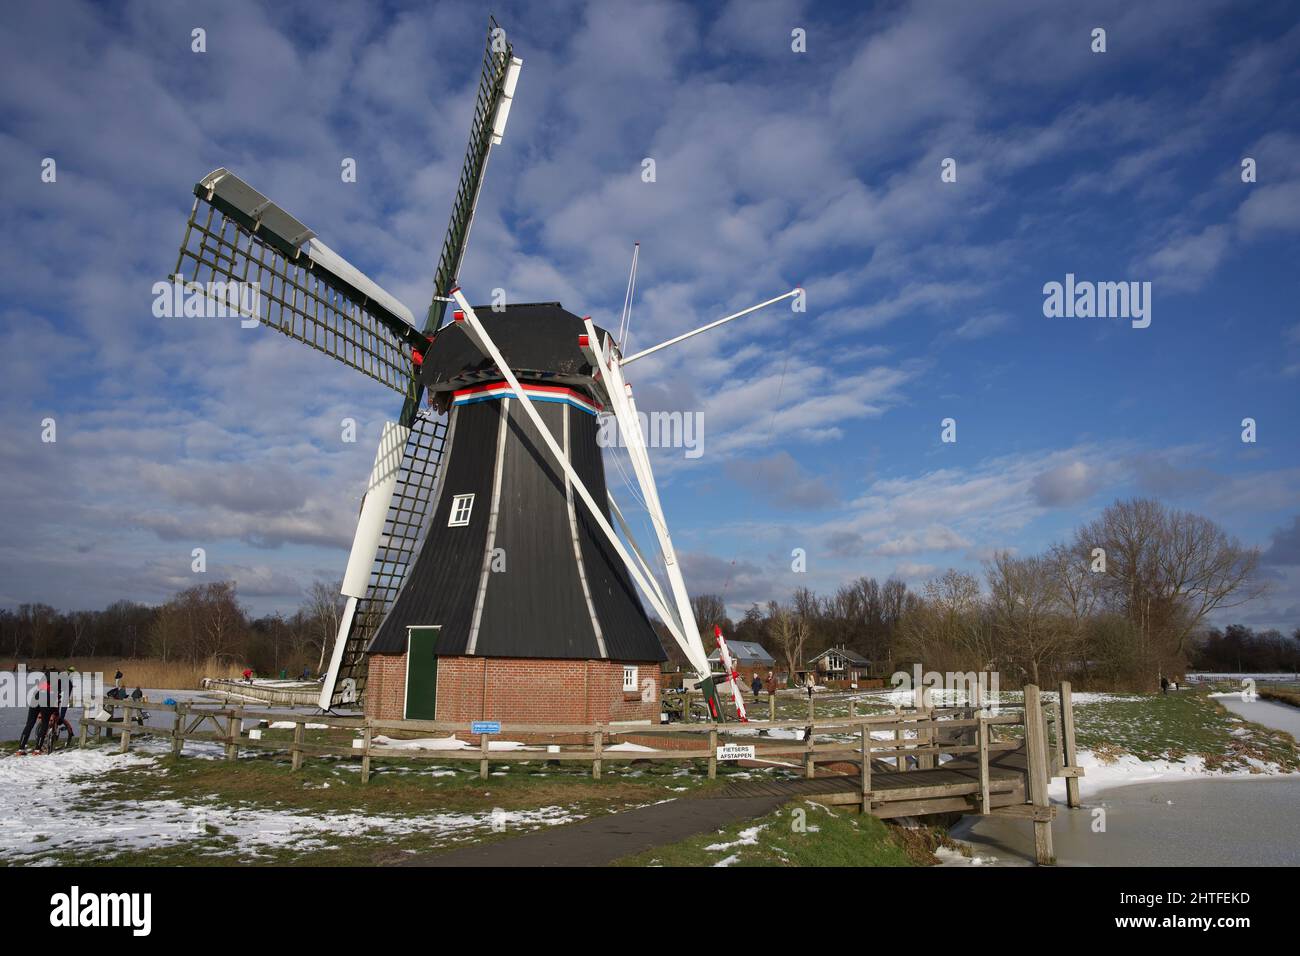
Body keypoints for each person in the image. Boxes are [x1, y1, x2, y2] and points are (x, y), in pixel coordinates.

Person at [16, 669, 50, 753]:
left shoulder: (42, 681)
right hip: (46, 700)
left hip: (35, 698)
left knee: (29, 724)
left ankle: (21, 748)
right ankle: (38, 749)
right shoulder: (57, 683)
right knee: (45, 724)